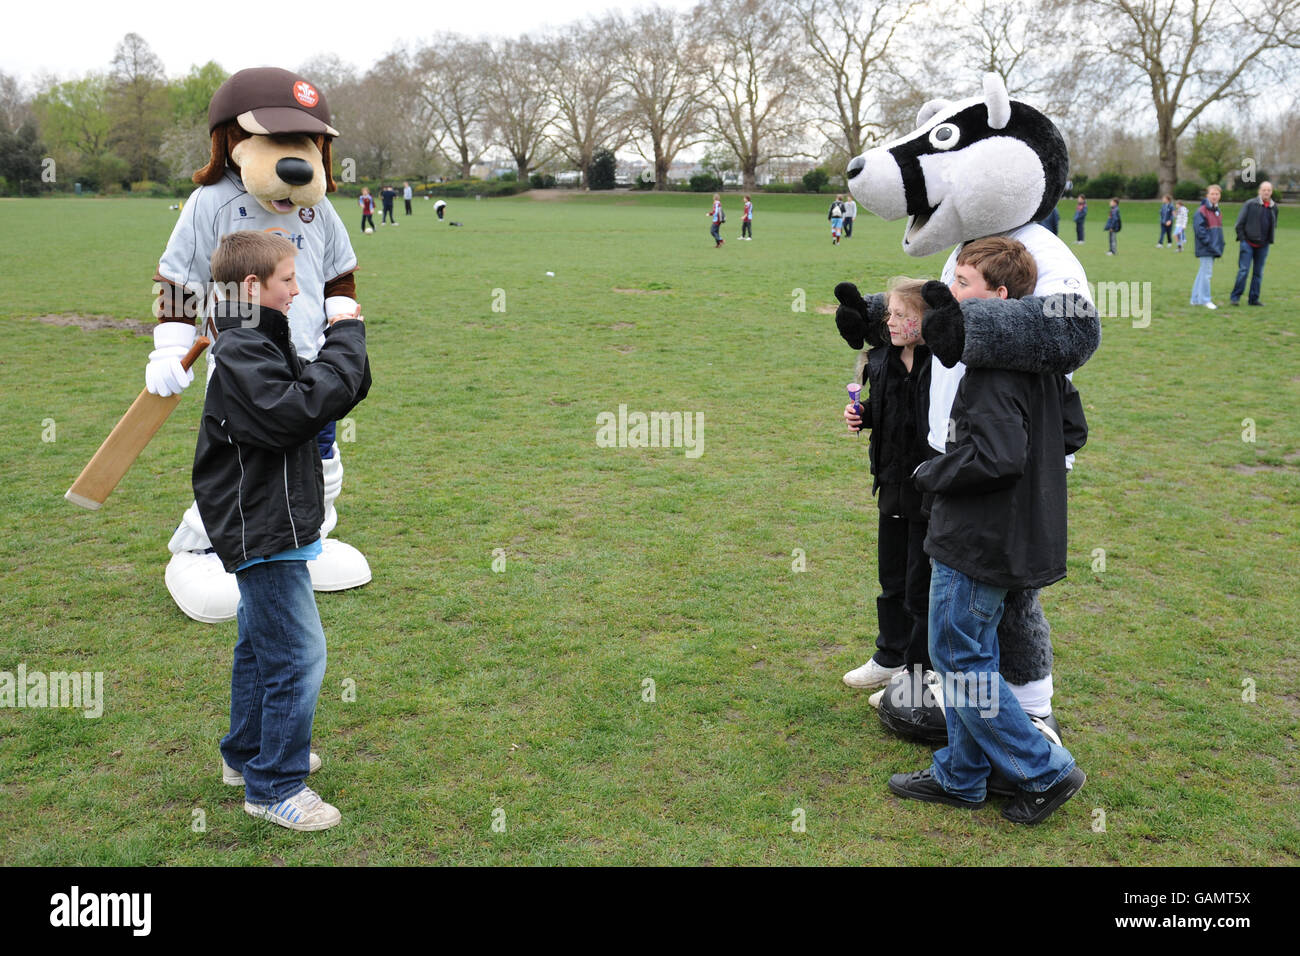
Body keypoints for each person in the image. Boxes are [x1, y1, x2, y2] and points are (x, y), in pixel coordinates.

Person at [888, 236, 1088, 823]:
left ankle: (1045, 771)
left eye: (964, 284)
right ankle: (961, 775)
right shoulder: (1043, 364)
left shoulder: (992, 367)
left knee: (959, 659)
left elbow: (997, 456)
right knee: (971, 655)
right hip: (1018, 531)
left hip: (979, 537)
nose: (950, 294)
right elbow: (1071, 431)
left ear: (1000, 297)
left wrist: (932, 470)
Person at [201, 231, 371, 831]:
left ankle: (248, 758)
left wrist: (323, 377)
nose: (298, 290)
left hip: (275, 516)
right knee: (298, 655)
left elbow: (308, 401)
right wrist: (346, 333)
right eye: (287, 281)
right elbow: (294, 409)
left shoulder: (257, 338)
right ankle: (274, 786)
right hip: (261, 526)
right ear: (252, 287)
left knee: (259, 645)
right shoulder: (243, 348)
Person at [841, 278, 933, 695]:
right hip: (891, 482)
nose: (890, 323)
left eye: (901, 315)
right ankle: (889, 655)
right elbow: (887, 409)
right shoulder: (882, 358)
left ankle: (917, 672)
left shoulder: (943, 364)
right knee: (891, 577)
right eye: (889, 314)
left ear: (925, 320)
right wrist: (863, 413)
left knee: (922, 583)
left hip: (930, 491)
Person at [1229, 181, 1278, 306]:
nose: (1266, 192)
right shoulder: (1250, 204)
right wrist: (1243, 239)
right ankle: (1235, 297)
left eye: (1269, 190)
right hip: (1248, 243)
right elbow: (1239, 224)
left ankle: (1253, 299)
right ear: (1259, 191)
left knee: (1258, 273)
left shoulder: (1274, 207)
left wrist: (1269, 239)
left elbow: (1274, 224)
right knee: (1244, 271)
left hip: (1263, 245)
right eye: (1264, 190)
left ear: (1271, 192)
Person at [1190, 185, 1225, 309]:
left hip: (1213, 247)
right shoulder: (1201, 211)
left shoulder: (1217, 211)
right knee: (1206, 274)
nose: (1215, 196)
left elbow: (1218, 230)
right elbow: (1200, 231)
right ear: (1207, 195)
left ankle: (1195, 299)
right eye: (1212, 194)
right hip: (1206, 247)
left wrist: (1221, 244)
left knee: (1202, 273)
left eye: (1217, 194)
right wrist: (1210, 243)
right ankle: (1205, 300)